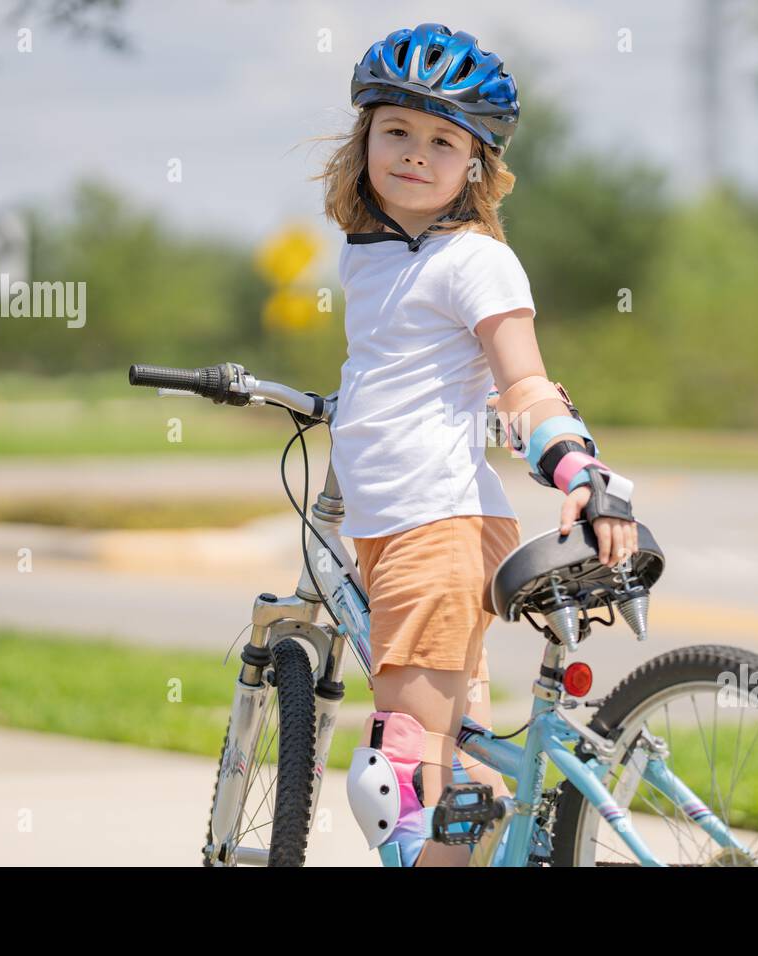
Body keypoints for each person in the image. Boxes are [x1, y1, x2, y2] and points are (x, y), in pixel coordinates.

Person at [314, 22, 640, 867]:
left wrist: (577, 465)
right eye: (397, 130)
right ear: (364, 140)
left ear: (477, 166)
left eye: (442, 140)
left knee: (397, 779)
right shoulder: (370, 255)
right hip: (403, 527)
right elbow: (398, 368)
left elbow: (523, 384)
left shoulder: (474, 260)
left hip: (437, 525)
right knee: (460, 767)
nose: (415, 154)